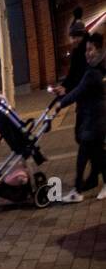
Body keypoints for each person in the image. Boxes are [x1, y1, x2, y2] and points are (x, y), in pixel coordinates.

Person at [53, 31, 106, 202]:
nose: (87, 53)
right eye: (86, 50)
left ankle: (77, 190)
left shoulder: (94, 72)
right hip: (95, 118)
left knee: (86, 152)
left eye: (90, 50)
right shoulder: (96, 67)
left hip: (96, 120)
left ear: (98, 51)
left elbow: (79, 90)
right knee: (94, 153)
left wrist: (61, 103)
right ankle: (82, 187)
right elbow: (78, 85)